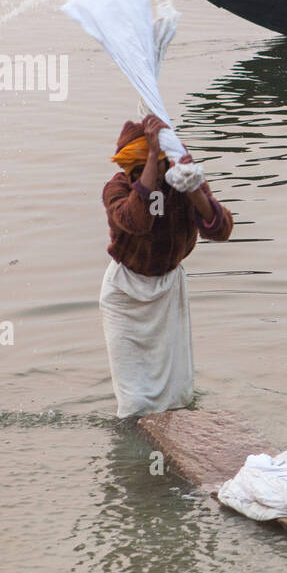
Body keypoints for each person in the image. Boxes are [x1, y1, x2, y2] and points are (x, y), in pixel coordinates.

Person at [100, 114, 233, 419]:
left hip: (169, 289)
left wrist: (195, 189)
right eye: (138, 167)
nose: (145, 172)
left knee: (178, 393)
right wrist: (150, 157)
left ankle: (172, 440)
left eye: (155, 161)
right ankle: (136, 443)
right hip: (125, 293)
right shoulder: (116, 189)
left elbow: (220, 230)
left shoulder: (182, 181)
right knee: (135, 400)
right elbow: (136, 220)